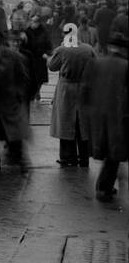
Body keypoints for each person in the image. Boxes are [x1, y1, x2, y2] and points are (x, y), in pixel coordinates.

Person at [79, 31, 128, 201]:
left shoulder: (96, 63)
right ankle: (103, 187)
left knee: (108, 150)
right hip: (118, 115)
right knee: (115, 152)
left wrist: (86, 109)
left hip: (97, 114)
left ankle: (104, 186)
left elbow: (85, 88)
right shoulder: (125, 66)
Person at [47, 31, 94, 167]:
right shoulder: (88, 49)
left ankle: (68, 158)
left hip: (66, 91)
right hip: (84, 89)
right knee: (82, 124)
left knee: (66, 122)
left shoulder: (62, 49)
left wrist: (49, 57)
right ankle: (84, 158)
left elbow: (52, 66)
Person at [0, 34, 32, 170]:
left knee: (11, 132)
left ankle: (17, 158)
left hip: (9, 101)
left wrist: (18, 93)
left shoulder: (15, 57)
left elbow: (23, 79)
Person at [21, 14, 50, 101]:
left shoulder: (43, 31)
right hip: (30, 57)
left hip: (40, 57)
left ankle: (37, 91)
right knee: (31, 77)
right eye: (33, 21)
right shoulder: (26, 32)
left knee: (40, 77)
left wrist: (47, 52)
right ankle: (33, 92)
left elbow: (48, 43)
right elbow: (23, 44)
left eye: (36, 22)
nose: (34, 23)